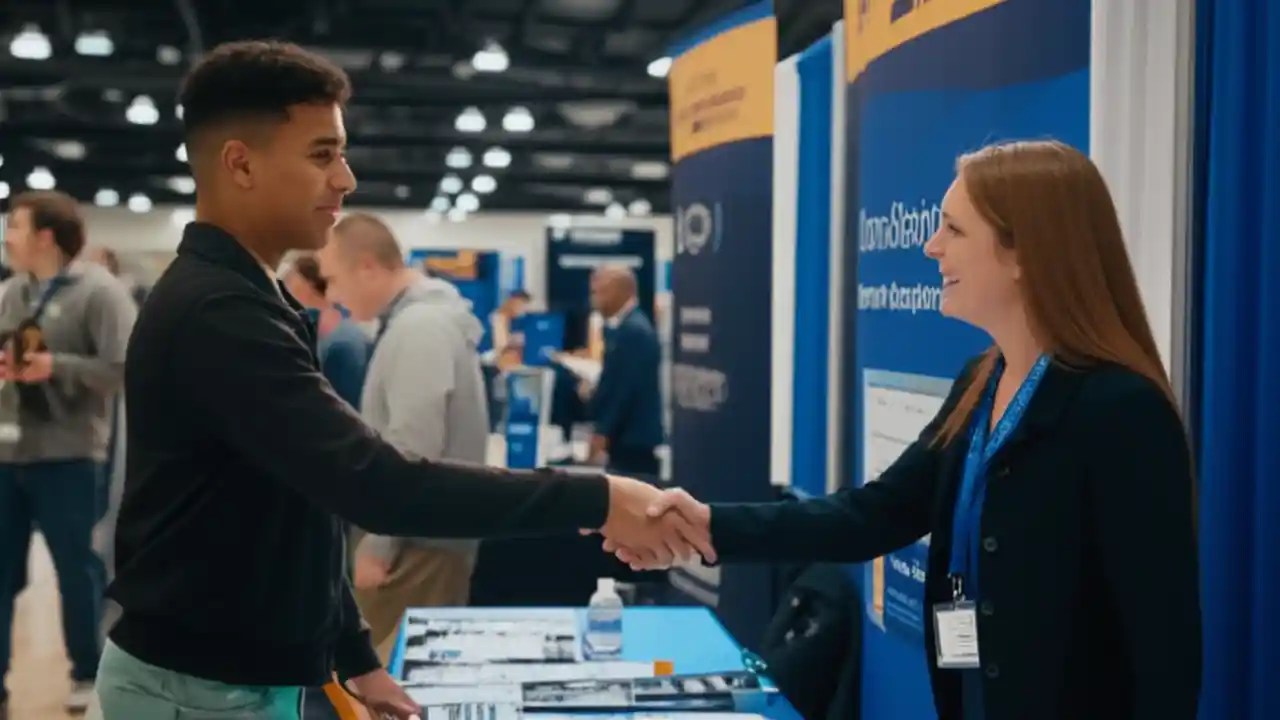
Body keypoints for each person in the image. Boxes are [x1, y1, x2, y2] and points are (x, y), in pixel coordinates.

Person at [97, 40, 710, 720]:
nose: (346, 178)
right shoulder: (218, 311)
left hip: (232, 679)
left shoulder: (253, 299)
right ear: (240, 163)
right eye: (322, 155)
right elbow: (378, 484)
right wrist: (598, 498)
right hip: (195, 689)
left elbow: (302, 499)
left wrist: (354, 656)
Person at [604, 141, 1201, 720]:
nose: (932, 246)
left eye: (954, 230)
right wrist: (706, 524)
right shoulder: (981, 382)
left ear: (1025, 253)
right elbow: (873, 515)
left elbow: (1163, 645)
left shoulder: (1120, 409)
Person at [317, 213, 488, 662]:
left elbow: (413, 447)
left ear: (367, 267)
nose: (332, 296)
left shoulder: (420, 329)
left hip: (416, 549)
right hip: (420, 539)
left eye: (333, 280)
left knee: (387, 680)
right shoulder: (418, 323)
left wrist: (378, 545)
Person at [0, 192, 138, 716]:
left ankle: (85, 670)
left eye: (15, 226)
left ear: (45, 236)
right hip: (7, 455)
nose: (7, 237)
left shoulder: (101, 293)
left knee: (77, 571)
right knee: (2, 574)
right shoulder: (10, 292)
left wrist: (55, 366)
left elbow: (124, 369)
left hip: (72, 457)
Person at [587, 266, 663, 476]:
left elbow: (624, 388)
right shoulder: (625, 328)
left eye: (600, 292)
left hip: (632, 438)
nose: (595, 300)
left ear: (621, 291)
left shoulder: (634, 332)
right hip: (626, 437)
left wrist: (603, 431)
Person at [281, 252, 370, 409]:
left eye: (292, 277)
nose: (287, 282)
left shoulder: (342, 340)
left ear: (307, 284)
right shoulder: (317, 322)